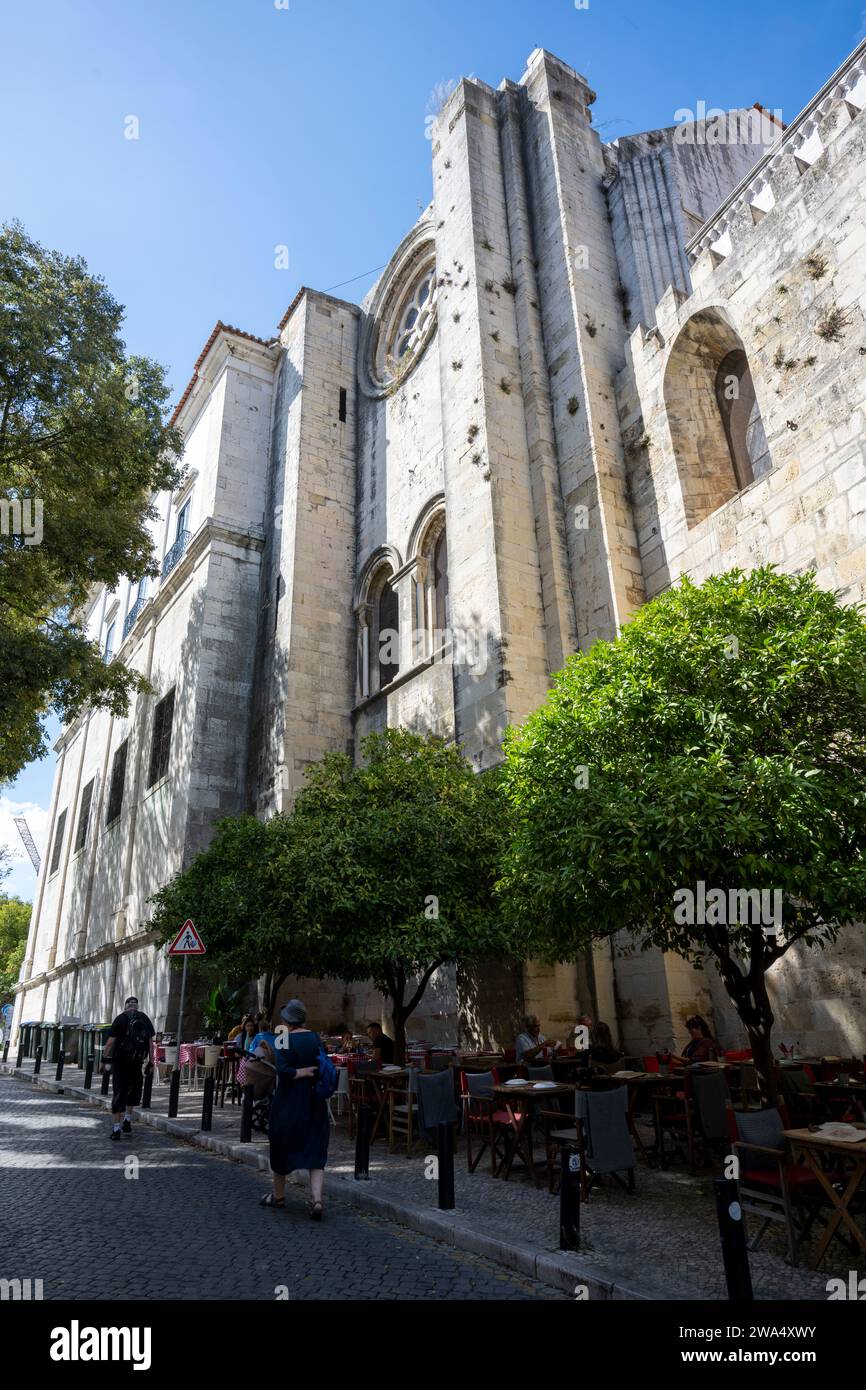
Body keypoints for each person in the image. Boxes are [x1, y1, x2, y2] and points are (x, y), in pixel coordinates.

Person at [260, 999, 329, 1219]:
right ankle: (317, 1200)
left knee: (281, 1145)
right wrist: (310, 1073)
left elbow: (283, 1070)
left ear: (288, 1020)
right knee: (315, 1148)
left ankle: (278, 1196)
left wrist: (301, 1072)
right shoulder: (314, 1037)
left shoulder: (284, 1039)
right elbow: (322, 1066)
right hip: (313, 1101)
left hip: (288, 1102)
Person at [102, 995, 155, 1141]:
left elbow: (110, 1042)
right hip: (137, 1063)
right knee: (133, 1091)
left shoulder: (120, 1018)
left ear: (126, 1006)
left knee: (119, 1093)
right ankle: (127, 1119)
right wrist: (152, 1061)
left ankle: (116, 1129)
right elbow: (151, 1042)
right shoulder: (144, 1018)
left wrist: (103, 1059)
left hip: (120, 1063)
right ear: (137, 1006)